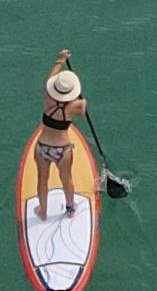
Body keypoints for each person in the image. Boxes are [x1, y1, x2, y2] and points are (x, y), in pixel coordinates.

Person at [41, 51, 129, 199]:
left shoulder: (48, 96)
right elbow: (82, 108)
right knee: (66, 179)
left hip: (42, 144)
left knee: (42, 178)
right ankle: (70, 207)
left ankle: (42, 207)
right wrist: (76, 94)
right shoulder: (75, 106)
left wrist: (61, 60)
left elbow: (50, 79)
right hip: (62, 148)